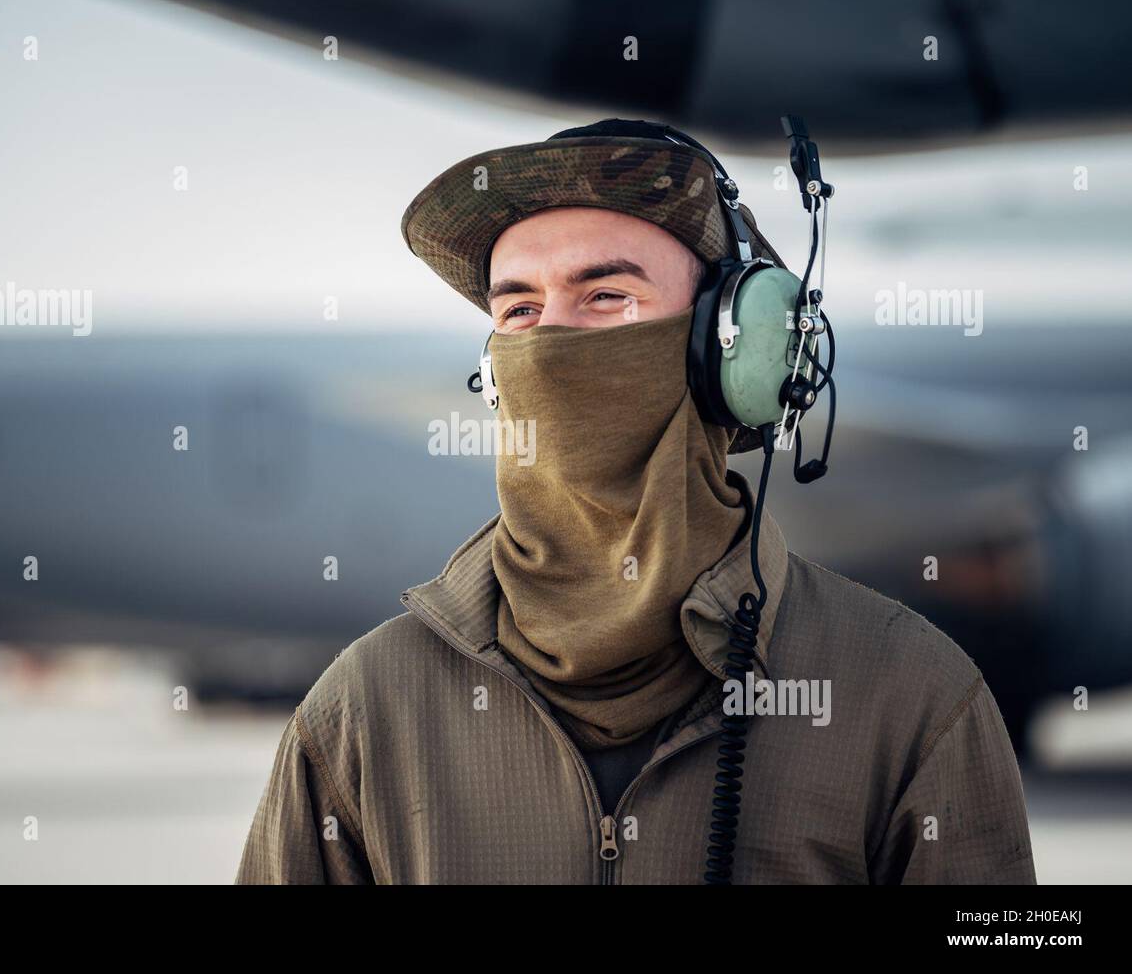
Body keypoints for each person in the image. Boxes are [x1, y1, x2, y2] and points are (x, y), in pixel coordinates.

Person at [235, 119, 1036, 884]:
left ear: (733, 352)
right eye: (519, 310)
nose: (550, 343)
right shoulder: (363, 712)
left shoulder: (907, 694)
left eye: (607, 297)